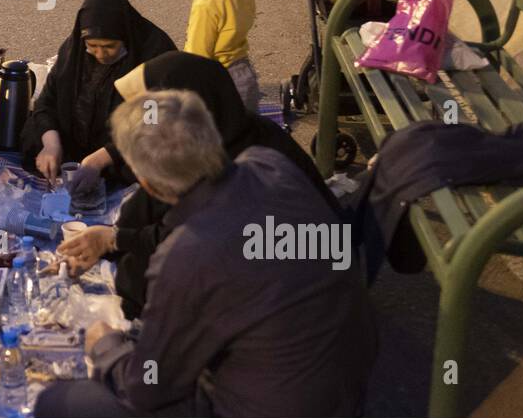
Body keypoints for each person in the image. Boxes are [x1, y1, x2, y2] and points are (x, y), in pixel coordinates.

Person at [35, 90, 375, 418]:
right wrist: (114, 240)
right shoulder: (269, 164)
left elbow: (149, 385)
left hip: (270, 404)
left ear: (149, 186)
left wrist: (106, 346)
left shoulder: (186, 258)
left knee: (60, 402)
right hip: (344, 382)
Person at [59, 52, 334, 320]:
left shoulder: (239, 171)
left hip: (296, 307)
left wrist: (114, 240)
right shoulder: (226, 135)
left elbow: (183, 237)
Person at [20, 0, 175, 198]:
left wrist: (99, 160)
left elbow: (152, 122)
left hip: (127, 143)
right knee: (34, 133)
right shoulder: (74, 48)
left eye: (110, 46)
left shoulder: (155, 54)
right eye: (93, 47)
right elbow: (47, 101)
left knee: (150, 164)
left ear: (125, 36)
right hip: (79, 141)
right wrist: (51, 144)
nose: (101, 54)